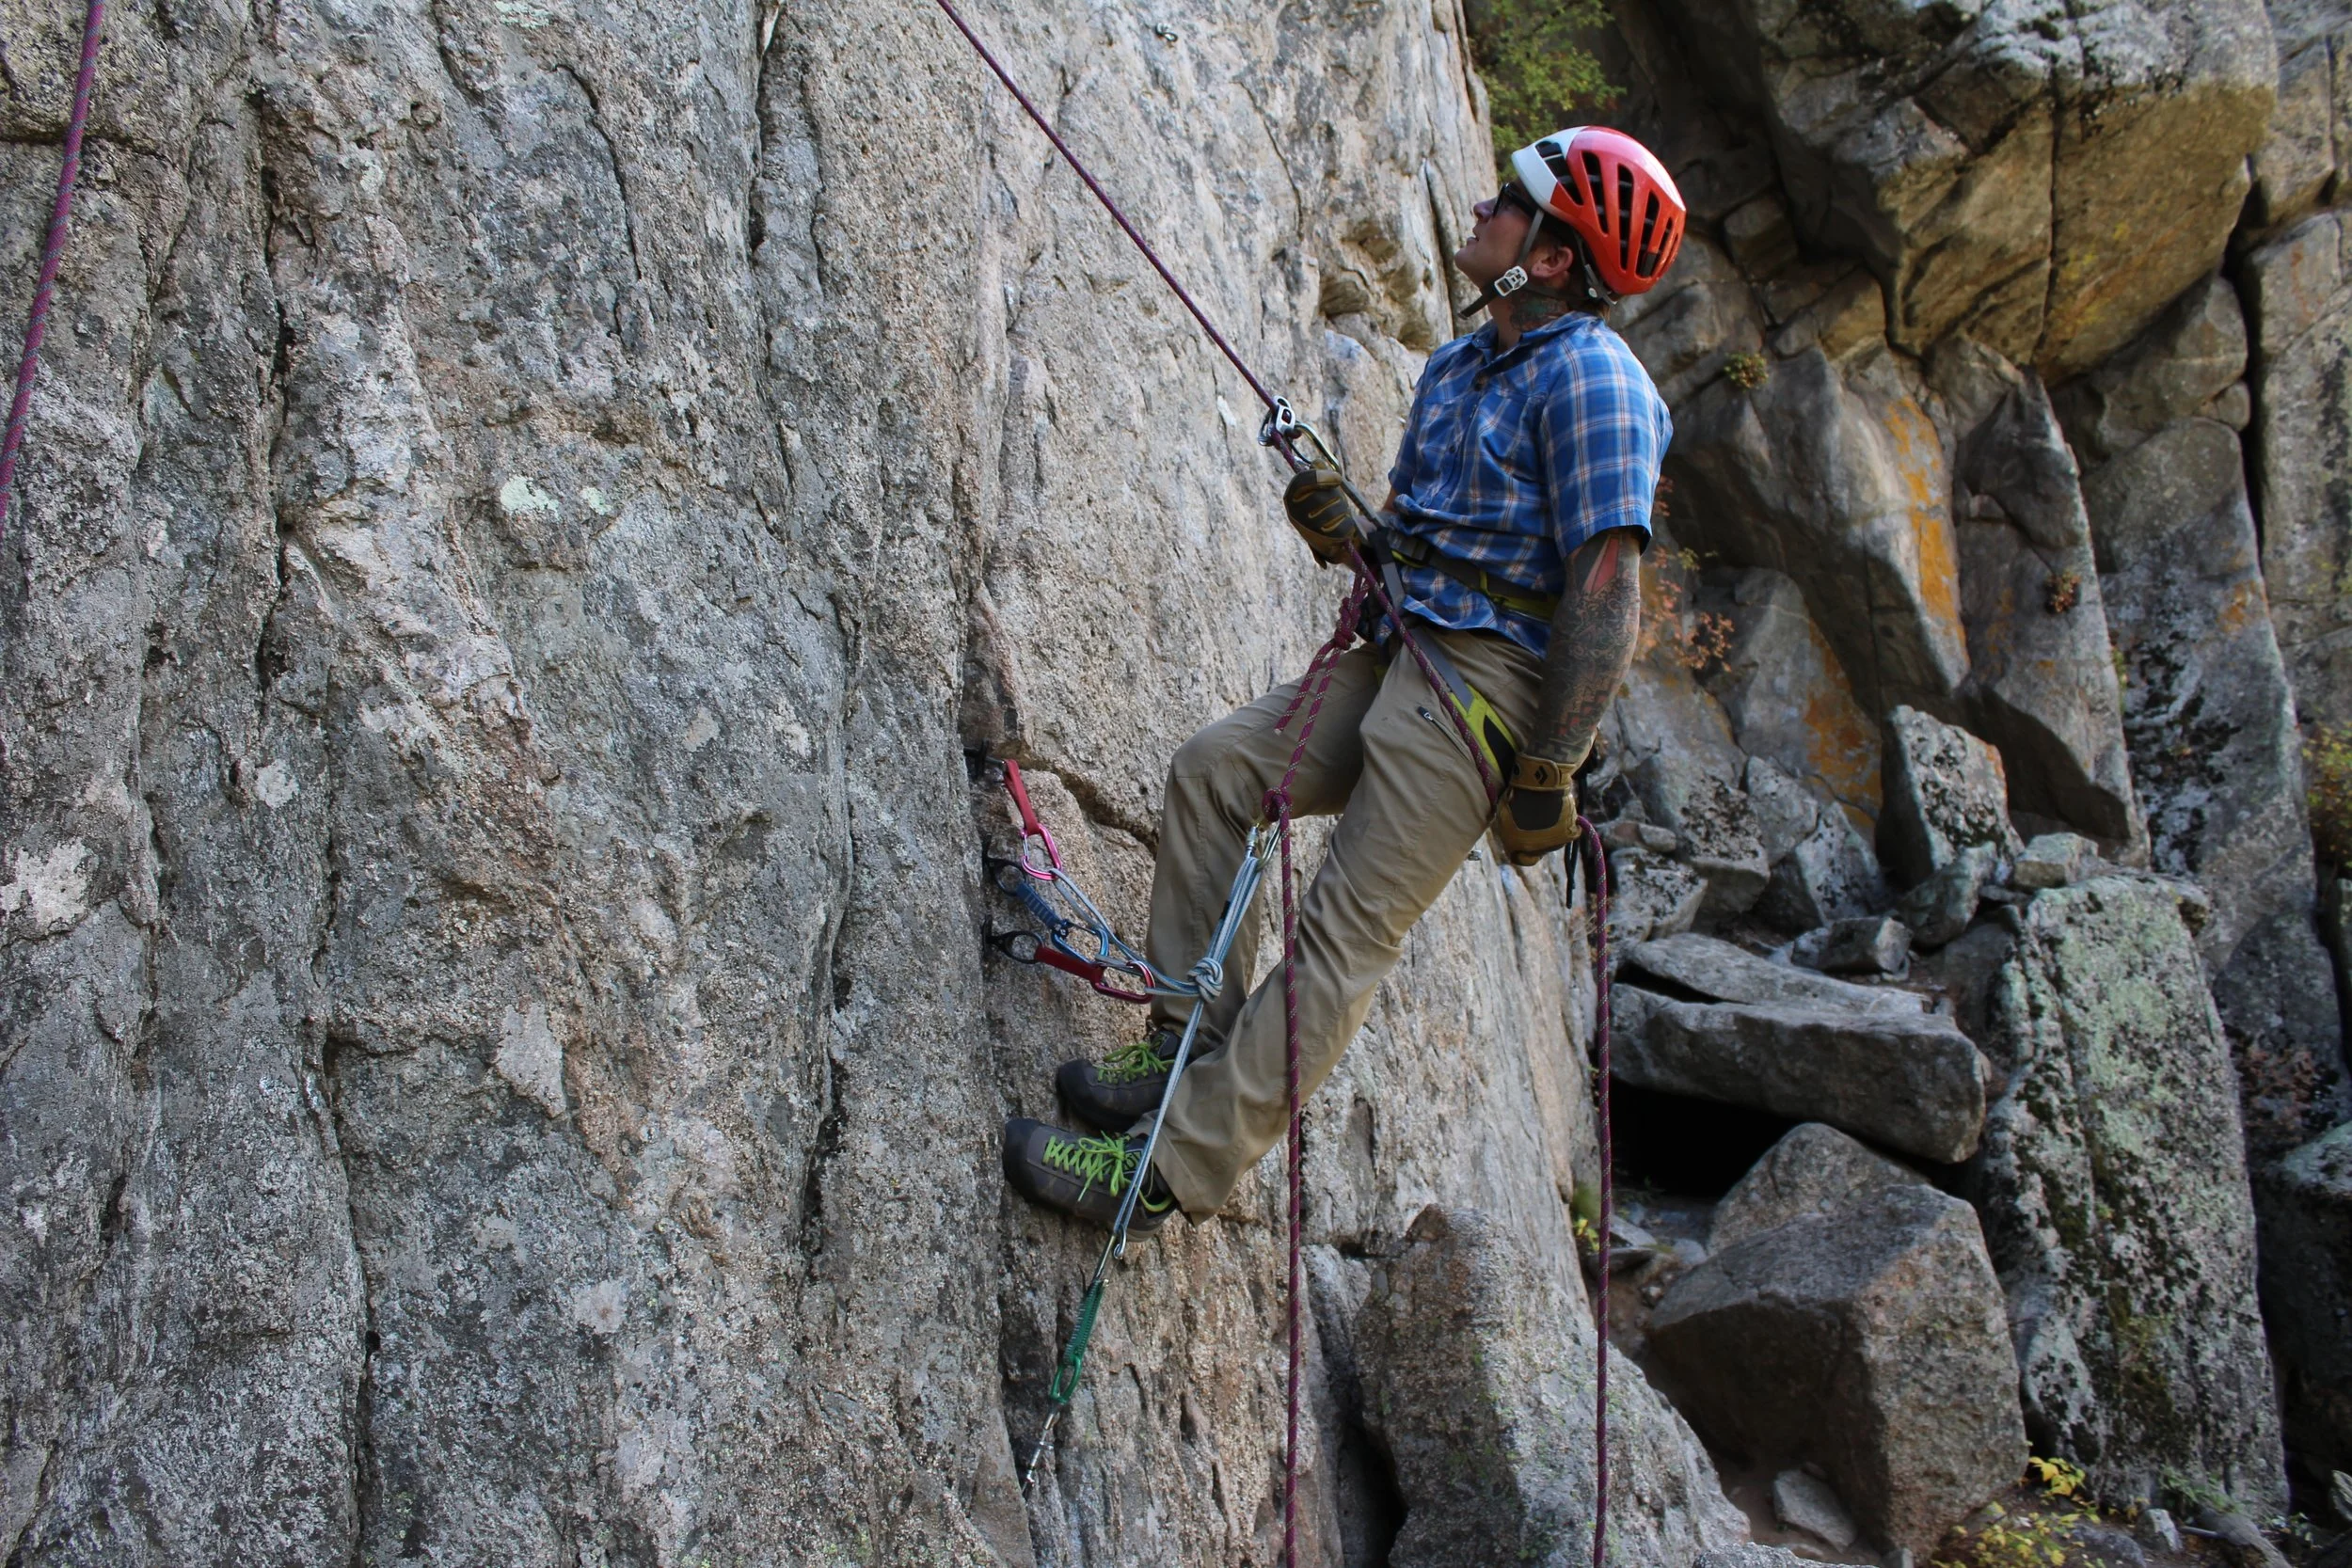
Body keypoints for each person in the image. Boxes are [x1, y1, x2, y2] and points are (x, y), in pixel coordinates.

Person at [1002, 126, 1686, 1229]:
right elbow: (1428, 539)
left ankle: (1166, 1169)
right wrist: (1345, 526)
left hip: (1488, 691)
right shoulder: (1465, 363)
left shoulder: (1599, 382)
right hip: (1401, 650)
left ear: (1553, 257)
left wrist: (1547, 767)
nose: (1479, 205)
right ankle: (1183, 1046)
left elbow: (1605, 593)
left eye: (1508, 201)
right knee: (1217, 770)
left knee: (1340, 936)